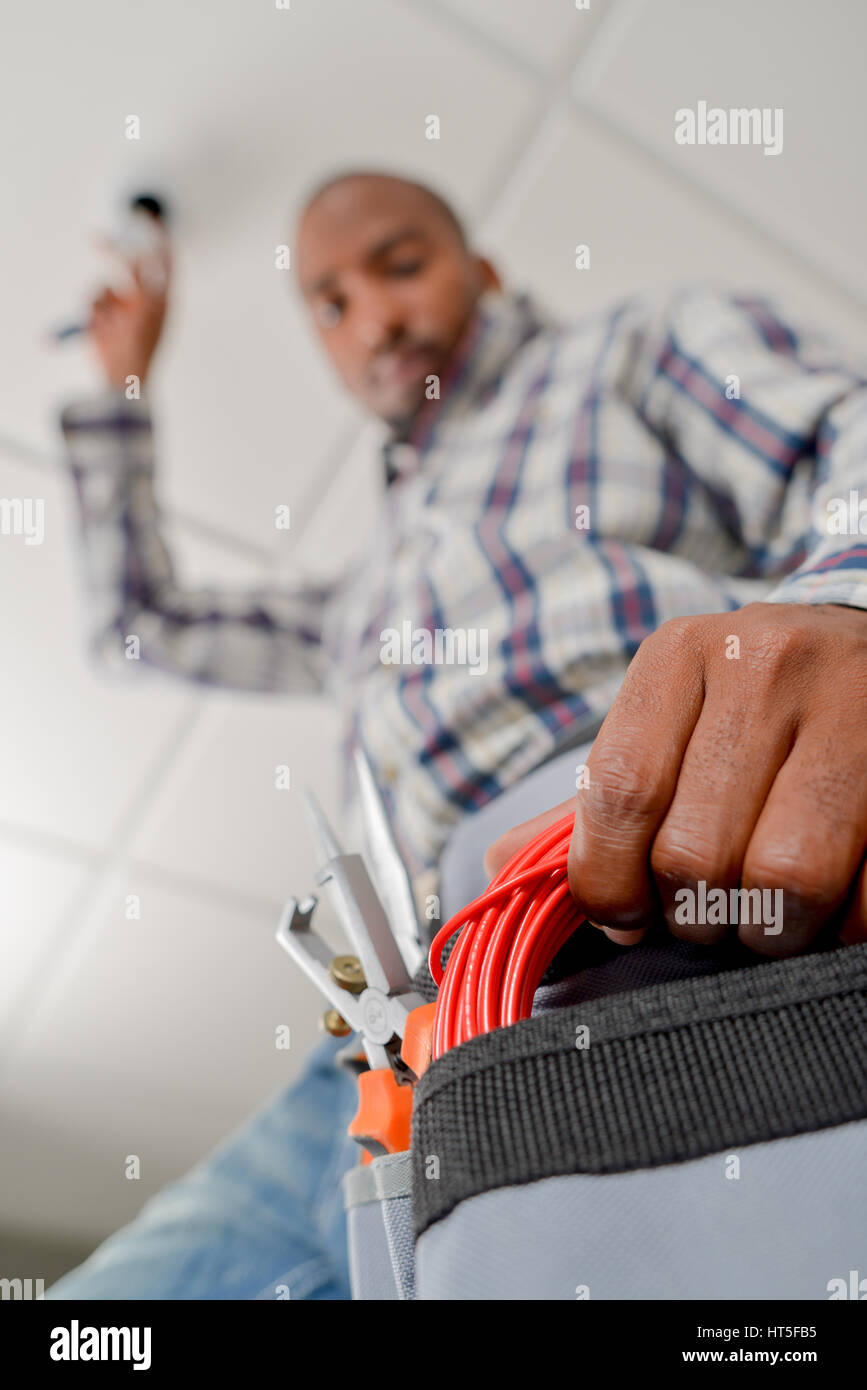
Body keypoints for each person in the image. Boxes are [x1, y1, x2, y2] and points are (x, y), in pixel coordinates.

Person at [47, 170, 867, 1299]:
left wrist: (845, 606)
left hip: (614, 911)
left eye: (400, 264)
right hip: (363, 1062)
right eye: (329, 303)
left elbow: (851, 427)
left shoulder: (633, 349)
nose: (372, 317)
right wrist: (125, 378)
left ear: (480, 272)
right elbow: (138, 630)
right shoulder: (358, 600)